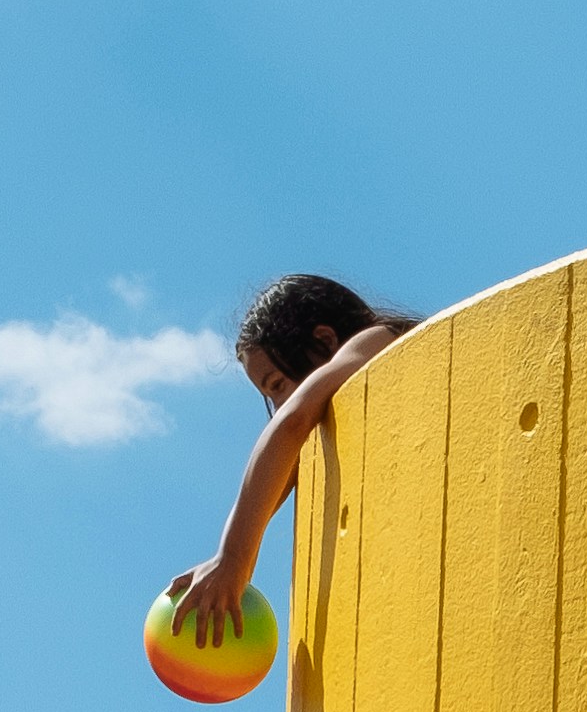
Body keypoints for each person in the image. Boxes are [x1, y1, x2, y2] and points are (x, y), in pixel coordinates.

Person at [165, 271, 415, 651]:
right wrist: (232, 568)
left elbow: (291, 424)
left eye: (278, 385)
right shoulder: (332, 423)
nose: (281, 406)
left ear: (324, 341)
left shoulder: (379, 340)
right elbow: (283, 470)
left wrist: (233, 558)